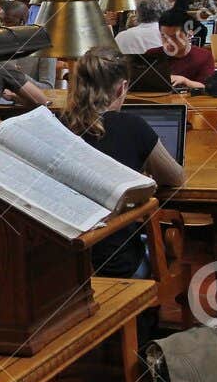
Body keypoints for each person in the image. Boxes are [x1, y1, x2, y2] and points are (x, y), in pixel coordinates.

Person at [59, 46, 185, 281]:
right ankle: (146, 315)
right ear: (122, 88)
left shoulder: (58, 125)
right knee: (159, 246)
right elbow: (175, 177)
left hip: (66, 263)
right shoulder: (132, 126)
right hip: (116, 263)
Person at [157, 9, 216, 88]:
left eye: (175, 37)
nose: (169, 41)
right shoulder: (152, 54)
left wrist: (186, 81)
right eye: (164, 36)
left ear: (189, 34)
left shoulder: (204, 57)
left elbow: (207, 86)